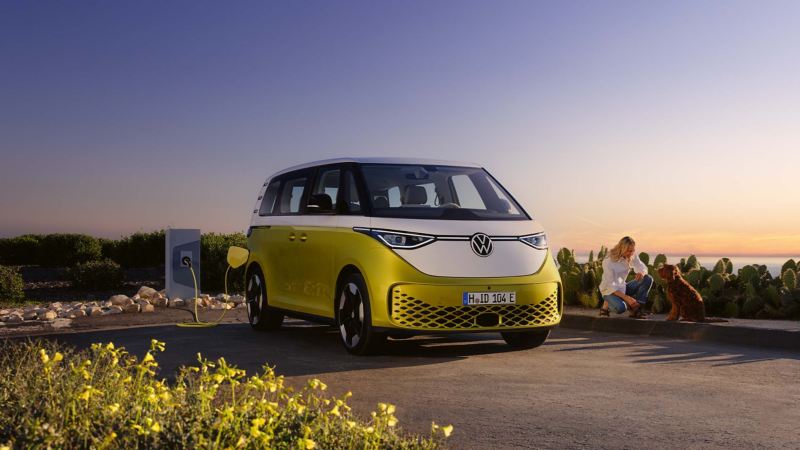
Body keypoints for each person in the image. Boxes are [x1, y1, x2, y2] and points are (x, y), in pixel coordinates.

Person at [598, 236, 653, 318]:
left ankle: (638, 309)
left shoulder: (631, 255)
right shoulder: (608, 261)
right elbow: (611, 286)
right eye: (629, 251)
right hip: (609, 290)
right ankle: (606, 304)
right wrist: (627, 299)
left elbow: (642, 267)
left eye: (633, 250)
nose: (631, 253)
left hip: (623, 287)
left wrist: (641, 273)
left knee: (647, 278)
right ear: (622, 248)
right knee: (621, 308)